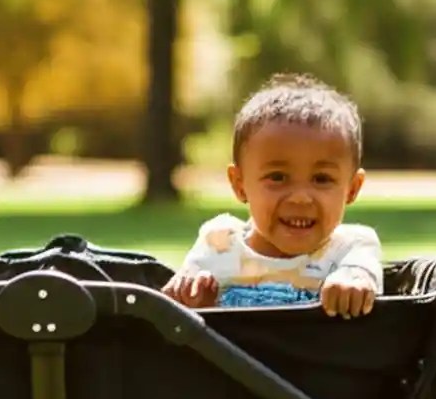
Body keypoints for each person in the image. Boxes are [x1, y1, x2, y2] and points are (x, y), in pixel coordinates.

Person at [163, 73, 383, 318]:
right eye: (277, 177)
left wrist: (352, 283)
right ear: (239, 184)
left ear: (352, 189)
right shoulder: (218, 243)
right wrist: (191, 303)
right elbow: (179, 315)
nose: (300, 198)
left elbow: (360, 275)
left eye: (322, 179)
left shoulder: (351, 248)